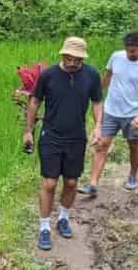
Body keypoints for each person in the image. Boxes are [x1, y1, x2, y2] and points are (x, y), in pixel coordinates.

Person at [23, 36, 103, 251]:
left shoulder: (91, 75)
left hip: (76, 136)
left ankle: (63, 218)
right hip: (51, 134)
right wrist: (28, 131)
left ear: (83, 59)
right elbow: (34, 101)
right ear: (63, 54)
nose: (72, 63)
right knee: (49, 183)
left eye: (77, 60)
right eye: (69, 58)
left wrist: (98, 127)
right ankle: (44, 227)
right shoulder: (48, 75)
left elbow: (97, 102)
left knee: (71, 182)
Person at [78, 31, 138, 197]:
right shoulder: (116, 57)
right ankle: (93, 184)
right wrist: (94, 95)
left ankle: (133, 176)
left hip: (133, 114)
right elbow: (106, 78)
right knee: (101, 145)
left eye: (133, 51)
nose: (130, 53)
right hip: (111, 110)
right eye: (128, 50)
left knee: (133, 144)